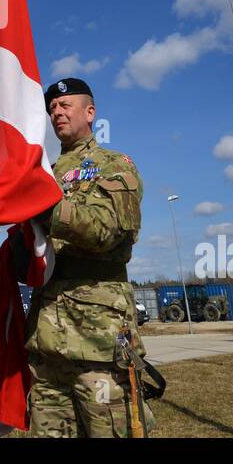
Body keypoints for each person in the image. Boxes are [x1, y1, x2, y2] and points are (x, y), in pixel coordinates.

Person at [24, 78, 148, 437]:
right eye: (51, 109)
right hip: (47, 342)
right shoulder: (44, 173)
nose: (56, 113)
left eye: (65, 105)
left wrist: (46, 210)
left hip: (97, 340)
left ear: (90, 113)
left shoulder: (113, 164)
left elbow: (111, 229)